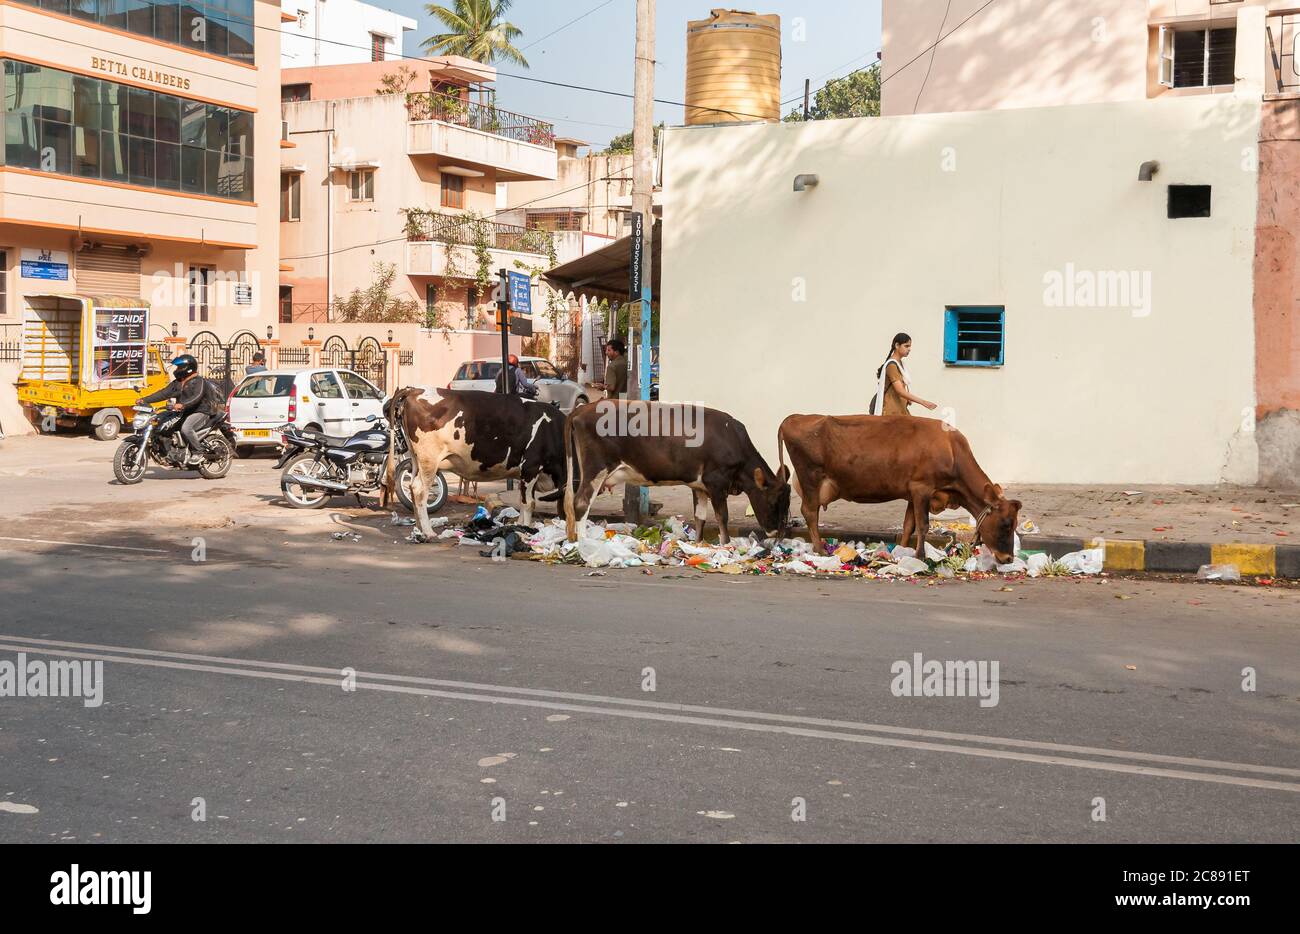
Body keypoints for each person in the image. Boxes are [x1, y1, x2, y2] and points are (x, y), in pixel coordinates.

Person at [137, 354, 225, 464]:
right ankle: (170, 451)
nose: (177, 370)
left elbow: (196, 397)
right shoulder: (178, 383)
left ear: (187, 368)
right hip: (183, 412)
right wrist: (144, 400)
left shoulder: (199, 381)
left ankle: (198, 452)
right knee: (160, 423)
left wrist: (182, 405)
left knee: (186, 428)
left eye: (179, 367)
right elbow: (163, 393)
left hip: (200, 411)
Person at [869, 332, 938, 416]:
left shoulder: (900, 364)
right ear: (897, 345)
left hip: (900, 409)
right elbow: (900, 390)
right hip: (891, 411)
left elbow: (902, 386)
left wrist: (907, 398)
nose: (909, 349)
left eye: (910, 346)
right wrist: (923, 402)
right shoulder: (892, 365)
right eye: (906, 346)